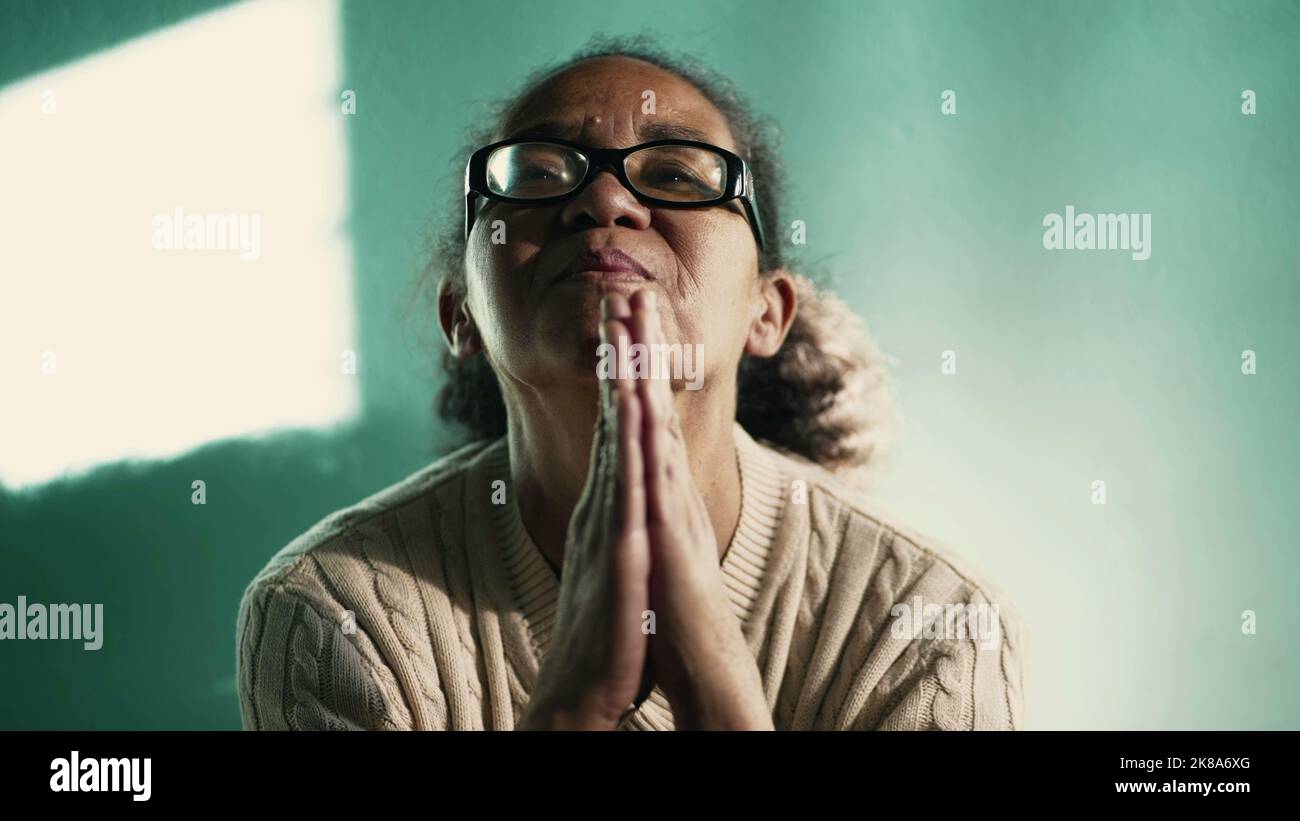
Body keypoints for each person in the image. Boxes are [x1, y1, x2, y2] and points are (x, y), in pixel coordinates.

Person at [236, 35, 1026, 731]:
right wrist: (574, 704)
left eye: (678, 175)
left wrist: (719, 689)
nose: (605, 198)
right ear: (462, 314)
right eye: (540, 173)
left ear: (768, 310)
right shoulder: (335, 618)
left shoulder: (932, 626)